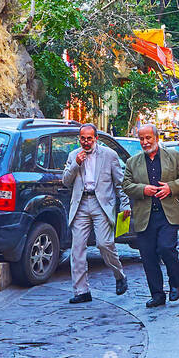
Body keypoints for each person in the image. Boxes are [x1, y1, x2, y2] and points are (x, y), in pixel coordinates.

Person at [121, 123, 179, 307]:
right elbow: (126, 185)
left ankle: (175, 282)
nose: (145, 142)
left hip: (167, 214)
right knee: (148, 256)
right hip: (145, 216)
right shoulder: (132, 162)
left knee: (166, 248)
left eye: (148, 138)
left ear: (156, 138)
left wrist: (170, 187)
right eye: (141, 139)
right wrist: (143, 189)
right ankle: (157, 294)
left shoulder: (173, 156)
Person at [61, 124, 127, 304]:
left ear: (96, 138)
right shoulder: (73, 155)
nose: (86, 142)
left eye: (90, 138)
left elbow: (119, 183)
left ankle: (119, 275)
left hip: (102, 204)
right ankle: (81, 291)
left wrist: (125, 205)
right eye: (83, 138)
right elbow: (66, 181)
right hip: (81, 204)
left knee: (104, 244)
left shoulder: (109, 155)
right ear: (79, 139)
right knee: (77, 249)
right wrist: (76, 165)